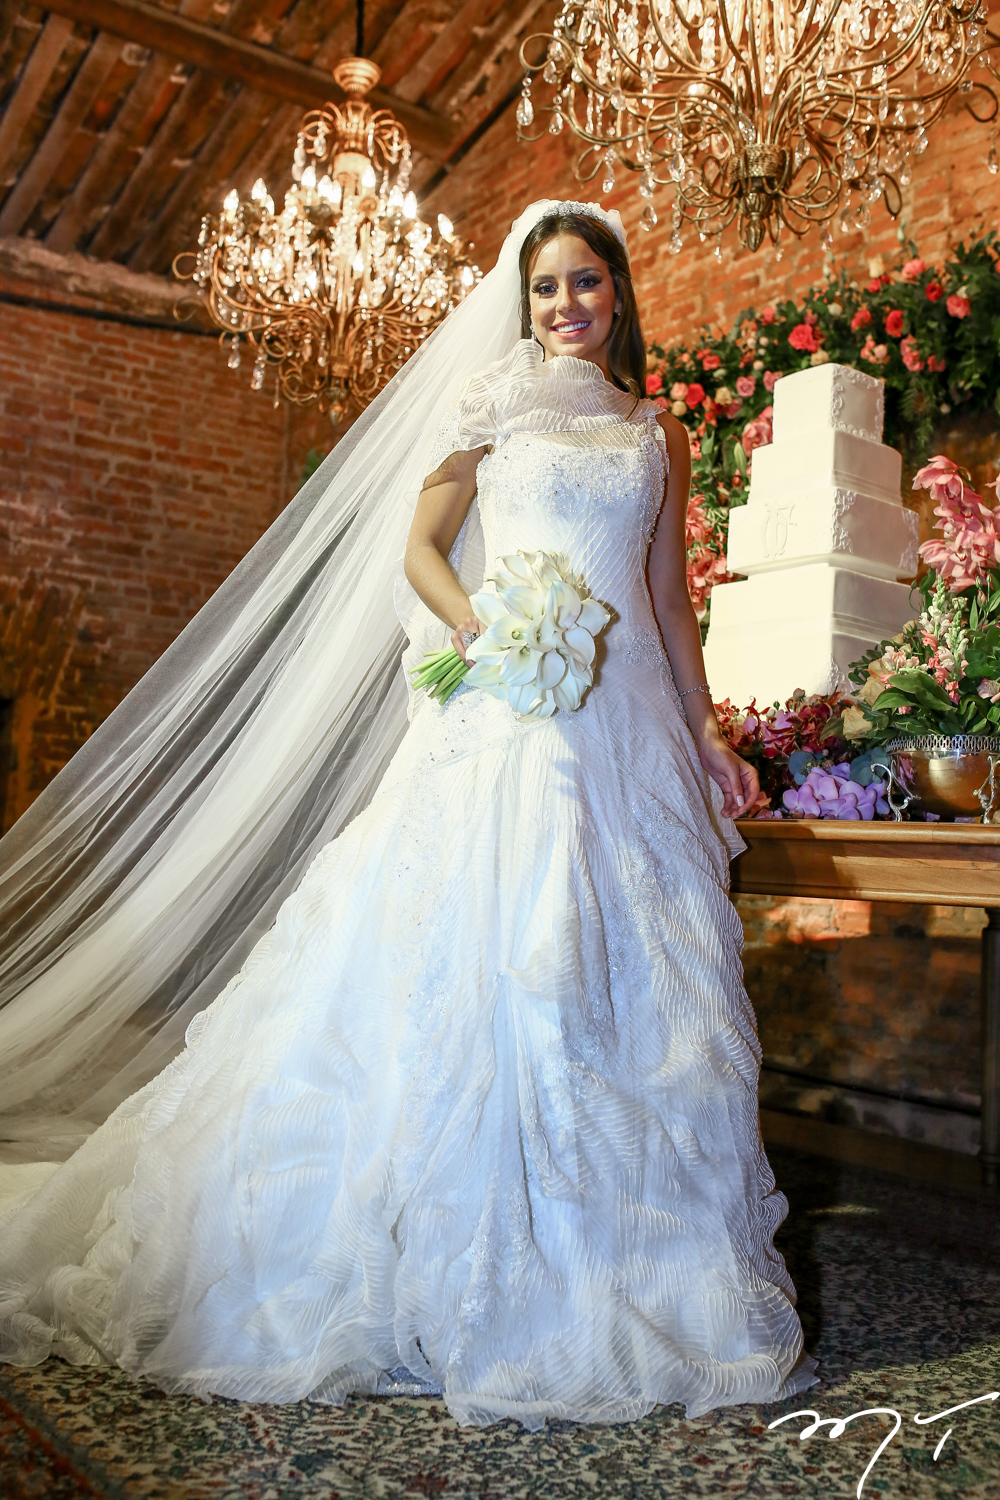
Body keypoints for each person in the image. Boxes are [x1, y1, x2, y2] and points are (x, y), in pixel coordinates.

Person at [0, 199, 817, 1430]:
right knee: (497, 955)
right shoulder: (490, 404)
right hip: (508, 712)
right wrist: (488, 624)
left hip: (626, 727)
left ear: (618, 293)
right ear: (524, 300)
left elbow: (665, 599)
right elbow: (422, 547)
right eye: (545, 286)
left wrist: (703, 733)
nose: (565, 304)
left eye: (585, 282)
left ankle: (629, 1260)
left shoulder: (657, 431)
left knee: (635, 974)